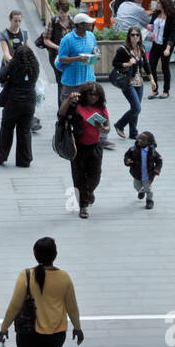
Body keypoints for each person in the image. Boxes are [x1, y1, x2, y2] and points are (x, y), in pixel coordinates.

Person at [0, 237, 84, 347]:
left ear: (35, 255)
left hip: (29, 335)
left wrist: (4, 328)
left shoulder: (26, 276)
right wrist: (77, 328)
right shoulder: (64, 277)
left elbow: (15, 306)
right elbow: (72, 307)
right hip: (55, 335)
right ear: (55, 254)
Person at [62, 82, 109, 219]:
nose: (93, 97)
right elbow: (61, 113)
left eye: (96, 95)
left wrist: (103, 128)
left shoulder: (101, 107)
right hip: (78, 147)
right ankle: (83, 206)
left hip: (95, 146)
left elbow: (107, 127)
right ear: (85, 94)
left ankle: (88, 192)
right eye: (91, 94)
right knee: (79, 176)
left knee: (95, 176)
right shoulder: (77, 106)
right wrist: (69, 99)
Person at [0, 44, 39, 167]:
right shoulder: (35, 65)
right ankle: (24, 160)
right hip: (30, 101)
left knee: (7, 129)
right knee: (24, 131)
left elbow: (0, 78)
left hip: (13, 101)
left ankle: (2, 156)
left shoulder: (13, 65)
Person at [112, 26, 150, 139]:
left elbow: (146, 65)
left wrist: (152, 80)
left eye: (137, 35)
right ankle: (119, 124)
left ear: (140, 37)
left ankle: (133, 133)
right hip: (128, 82)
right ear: (129, 36)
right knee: (137, 108)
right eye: (132, 35)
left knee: (135, 108)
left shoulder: (141, 49)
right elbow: (115, 63)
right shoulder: (123, 50)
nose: (135, 37)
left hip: (140, 82)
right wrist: (127, 64)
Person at [54, 13, 99, 101]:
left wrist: (96, 54)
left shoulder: (91, 36)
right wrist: (77, 59)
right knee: (69, 107)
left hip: (88, 79)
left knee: (87, 108)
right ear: (80, 25)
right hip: (71, 81)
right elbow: (62, 59)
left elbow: (95, 49)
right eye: (88, 23)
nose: (91, 24)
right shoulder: (67, 39)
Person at [123, 129, 162, 210]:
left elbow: (159, 160)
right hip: (137, 174)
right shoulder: (133, 149)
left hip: (148, 175)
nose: (140, 140)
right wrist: (127, 161)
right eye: (139, 138)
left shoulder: (152, 151)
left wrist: (156, 170)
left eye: (143, 140)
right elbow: (127, 156)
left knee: (148, 189)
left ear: (149, 142)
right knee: (136, 186)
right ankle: (141, 191)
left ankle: (149, 200)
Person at [148, 0, 175, 98]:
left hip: (166, 45)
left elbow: (172, 34)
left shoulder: (171, 16)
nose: (157, 4)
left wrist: (168, 48)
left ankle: (166, 90)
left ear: (164, 4)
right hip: (155, 43)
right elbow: (152, 24)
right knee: (151, 66)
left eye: (158, 3)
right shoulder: (156, 13)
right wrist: (149, 27)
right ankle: (154, 89)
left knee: (165, 67)